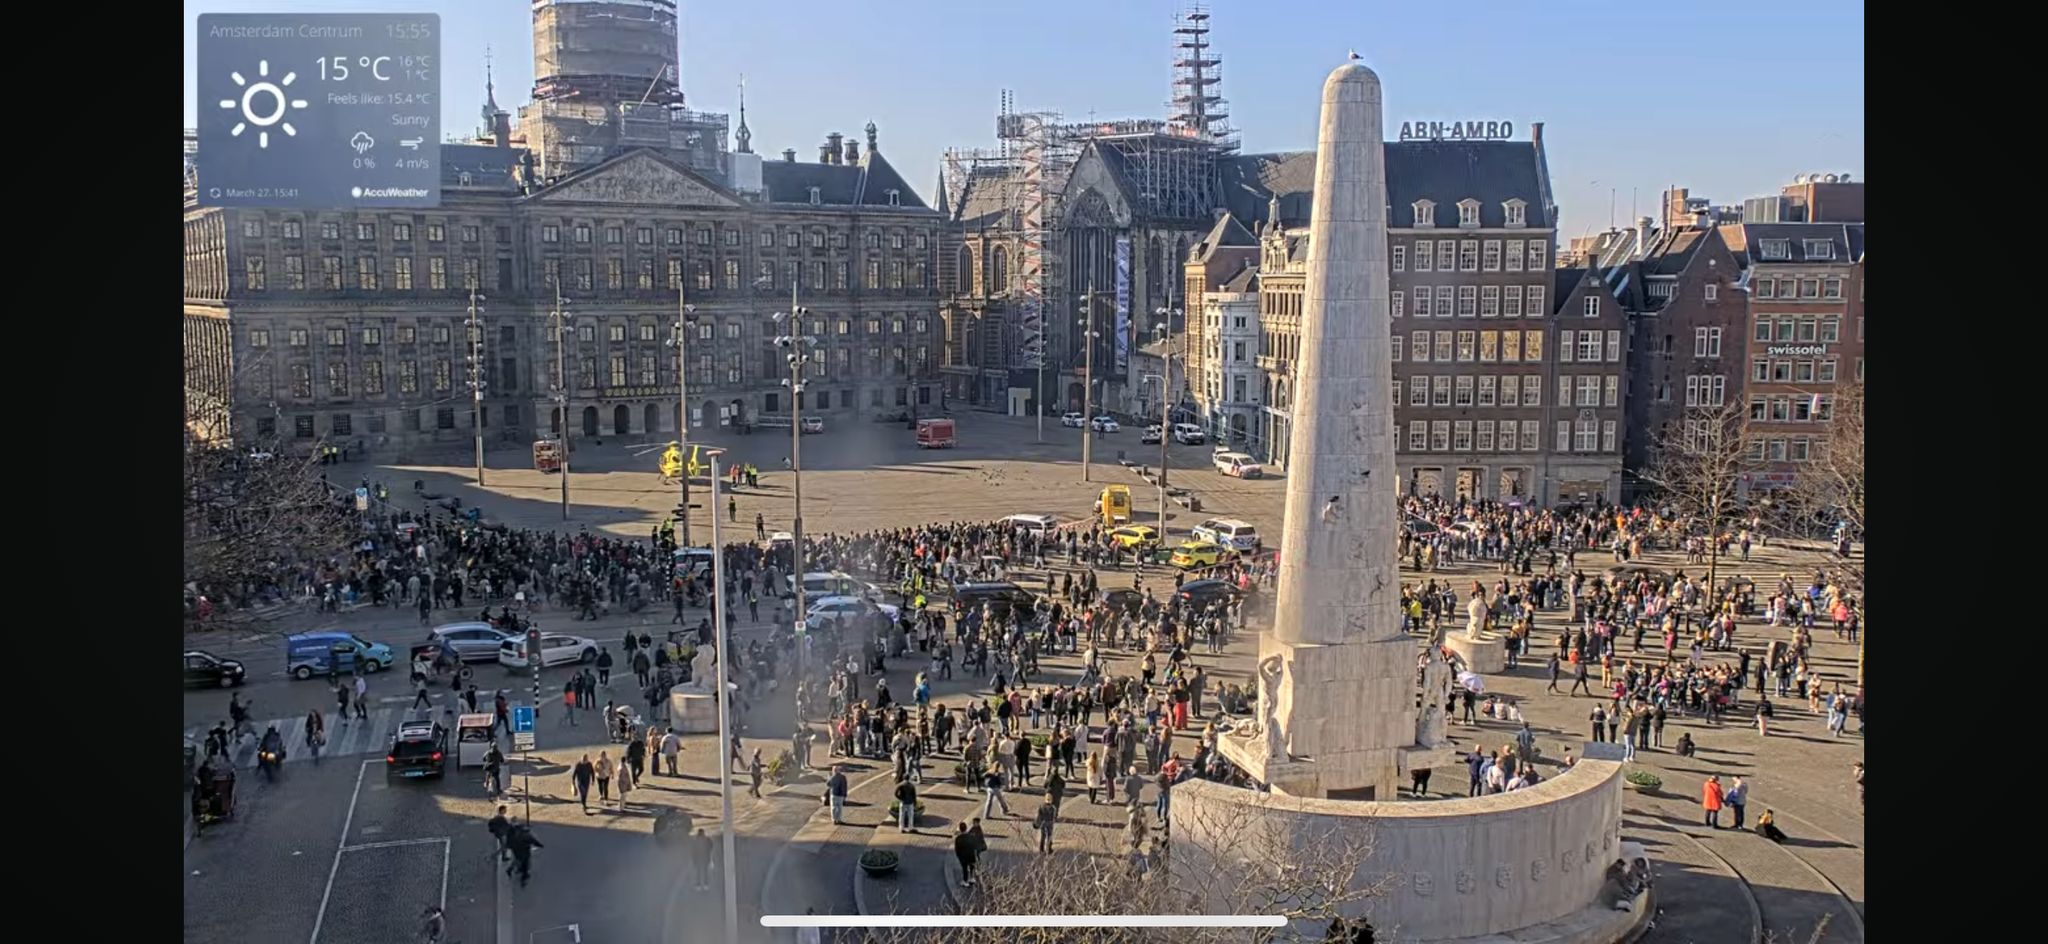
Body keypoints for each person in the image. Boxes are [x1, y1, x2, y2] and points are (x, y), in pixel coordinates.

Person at [953, 821, 980, 888]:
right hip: (971, 855)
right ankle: (972, 879)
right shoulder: (971, 836)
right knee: (971, 867)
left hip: (963, 856)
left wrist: (959, 857)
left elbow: (957, 849)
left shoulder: (958, 838)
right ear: (966, 828)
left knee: (965, 869)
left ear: (960, 829)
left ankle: (965, 881)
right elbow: (975, 846)